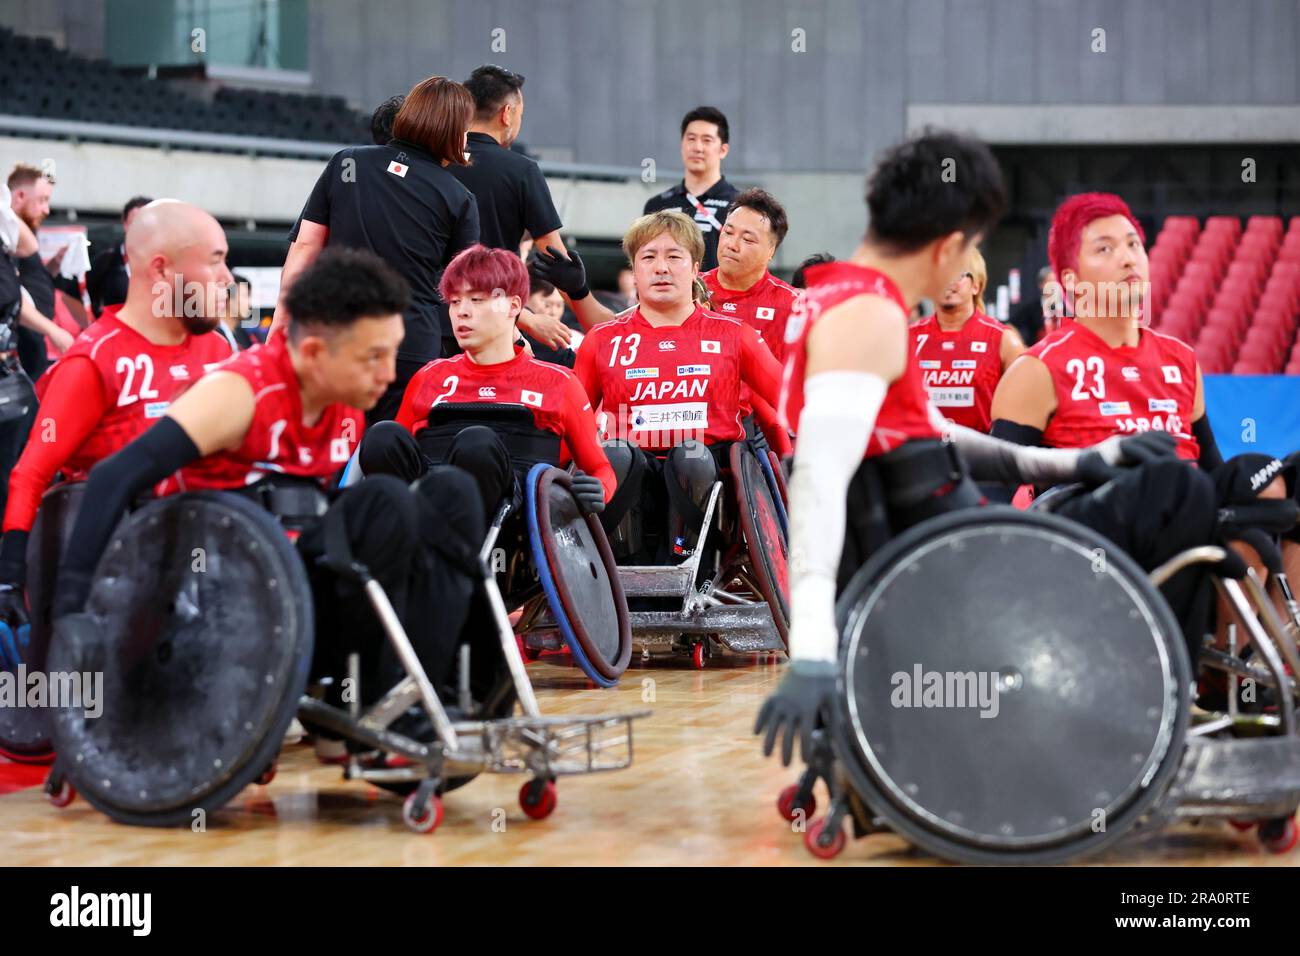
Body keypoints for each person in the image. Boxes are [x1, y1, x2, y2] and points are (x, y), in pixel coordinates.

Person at [754, 131, 1208, 766]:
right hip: (972, 568)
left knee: (1160, 476)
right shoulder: (868, 318)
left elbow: (931, 435)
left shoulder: (842, 297)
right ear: (949, 246)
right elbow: (818, 482)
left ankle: (1157, 704)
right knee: (1181, 488)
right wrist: (809, 652)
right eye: (971, 246)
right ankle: (1164, 716)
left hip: (969, 543)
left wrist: (1082, 462)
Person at [51, 248, 496, 726]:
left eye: (391, 352)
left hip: (296, 591)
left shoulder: (343, 404)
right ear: (312, 352)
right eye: (374, 357)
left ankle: (428, 689)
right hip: (215, 607)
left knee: (451, 492)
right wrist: (72, 614)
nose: (389, 374)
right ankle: (371, 696)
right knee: (382, 500)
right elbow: (111, 479)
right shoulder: (237, 392)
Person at [0, 199, 235, 605]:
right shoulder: (96, 358)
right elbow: (31, 475)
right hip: (115, 578)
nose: (228, 279)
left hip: (207, 566)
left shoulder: (217, 351)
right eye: (215, 262)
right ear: (161, 269)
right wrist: (10, 578)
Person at [573, 210, 784, 564]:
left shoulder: (734, 335)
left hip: (707, 475)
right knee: (613, 454)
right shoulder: (602, 340)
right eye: (648, 258)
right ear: (635, 270)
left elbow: (792, 400)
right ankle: (626, 573)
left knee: (691, 455)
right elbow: (571, 424)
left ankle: (686, 565)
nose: (661, 268)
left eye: (674, 257)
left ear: (696, 267)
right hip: (628, 473)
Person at [271, 75, 481, 426]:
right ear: (449, 130)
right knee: (390, 453)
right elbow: (463, 288)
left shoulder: (347, 162)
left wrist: (284, 315)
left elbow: (306, 245)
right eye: (465, 129)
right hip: (410, 345)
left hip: (337, 333)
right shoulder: (458, 196)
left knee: (327, 445)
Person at [359, 244, 612, 517]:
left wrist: (599, 489)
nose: (461, 312)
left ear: (514, 305)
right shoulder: (429, 377)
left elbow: (601, 468)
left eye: (476, 300)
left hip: (511, 524)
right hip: (426, 515)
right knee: (381, 436)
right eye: (455, 302)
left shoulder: (559, 382)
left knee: (476, 444)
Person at [444, 65, 573, 355]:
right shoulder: (522, 171)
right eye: (520, 115)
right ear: (507, 114)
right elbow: (557, 258)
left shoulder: (435, 164)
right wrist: (587, 308)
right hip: (498, 324)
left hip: (437, 324)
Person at [699, 188, 798, 457]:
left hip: (763, 438)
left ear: (771, 250)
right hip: (694, 426)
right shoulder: (690, 290)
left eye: (748, 239)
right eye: (728, 232)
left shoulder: (792, 307)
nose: (732, 244)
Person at [910, 245, 1024, 432]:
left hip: (981, 456)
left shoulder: (1003, 340)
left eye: (958, 275)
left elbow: (1024, 408)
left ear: (976, 285)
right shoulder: (909, 338)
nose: (948, 283)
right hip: (927, 453)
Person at [642, 106, 739, 272]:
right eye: (691, 139)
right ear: (682, 144)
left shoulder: (739, 205)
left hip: (720, 297)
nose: (697, 147)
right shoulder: (656, 205)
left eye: (707, 140)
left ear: (723, 150)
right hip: (669, 296)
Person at [8, 164, 75, 380]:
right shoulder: (10, 237)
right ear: (19, 196)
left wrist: (53, 265)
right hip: (18, 349)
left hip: (32, 347)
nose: (46, 209)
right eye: (42, 200)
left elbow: (25, 284)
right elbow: (11, 295)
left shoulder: (20, 235)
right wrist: (53, 330)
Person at [86, 195, 152, 317]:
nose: (139, 229)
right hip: (114, 330)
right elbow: (76, 291)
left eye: (144, 223)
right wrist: (93, 321)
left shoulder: (164, 263)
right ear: (125, 224)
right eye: (134, 223)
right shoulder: (108, 260)